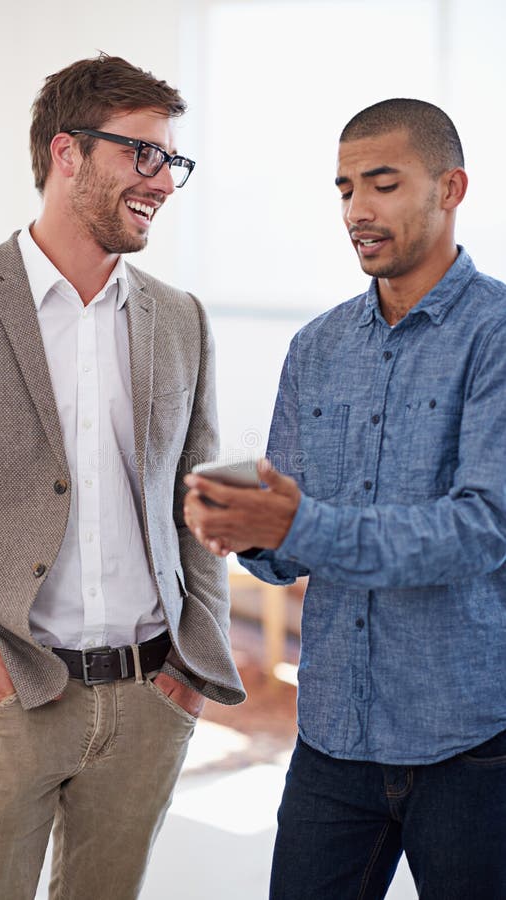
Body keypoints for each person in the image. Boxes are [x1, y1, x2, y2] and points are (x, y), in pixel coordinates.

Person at [0, 53, 244, 900]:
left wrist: (191, 666)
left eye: (172, 160)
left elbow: (195, 504)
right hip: (6, 694)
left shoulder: (181, 319)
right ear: (67, 152)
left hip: (151, 698)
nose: (162, 181)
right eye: (142, 153)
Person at [184, 98, 506, 899]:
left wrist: (300, 522)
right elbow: (287, 552)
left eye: (382, 185)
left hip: (467, 743)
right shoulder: (316, 348)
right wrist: (247, 526)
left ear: (450, 188)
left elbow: (481, 527)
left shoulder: (496, 335)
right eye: (344, 188)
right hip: (331, 736)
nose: (356, 210)